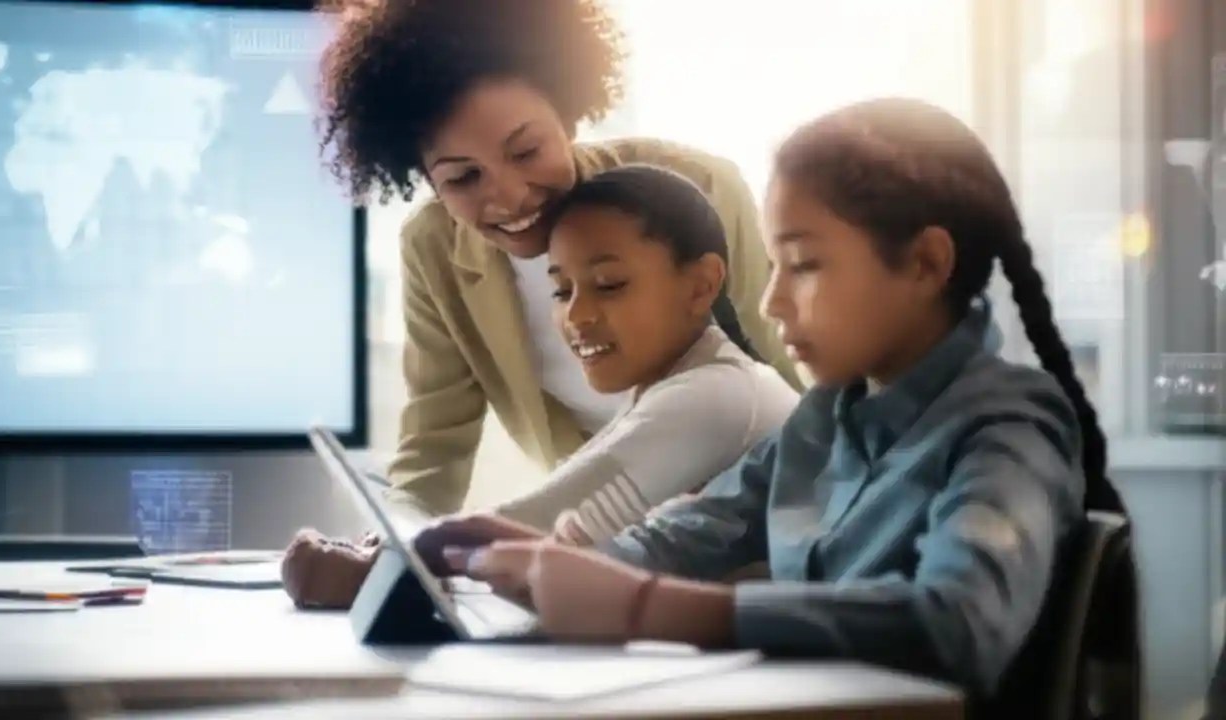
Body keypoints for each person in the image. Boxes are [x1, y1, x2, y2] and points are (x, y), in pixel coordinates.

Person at [415, 98, 1129, 701]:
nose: (772, 301)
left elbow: (957, 622)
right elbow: (695, 532)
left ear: (924, 263)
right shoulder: (825, 418)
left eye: (806, 264)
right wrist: (540, 560)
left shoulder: (1005, 429)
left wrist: (649, 607)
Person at [281, 0, 799, 608]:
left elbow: (785, 370)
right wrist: (386, 540)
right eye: (462, 178)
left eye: (526, 151)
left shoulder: (696, 194)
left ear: (569, 113)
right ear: (424, 178)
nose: (508, 195)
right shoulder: (433, 249)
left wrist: (397, 563)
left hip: (745, 532)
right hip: (626, 538)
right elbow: (435, 453)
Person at [494, 164, 799, 545]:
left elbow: (522, 532)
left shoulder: (716, 395)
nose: (576, 314)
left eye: (609, 284)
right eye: (561, 290)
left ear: (701, 285)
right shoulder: (681, 385)